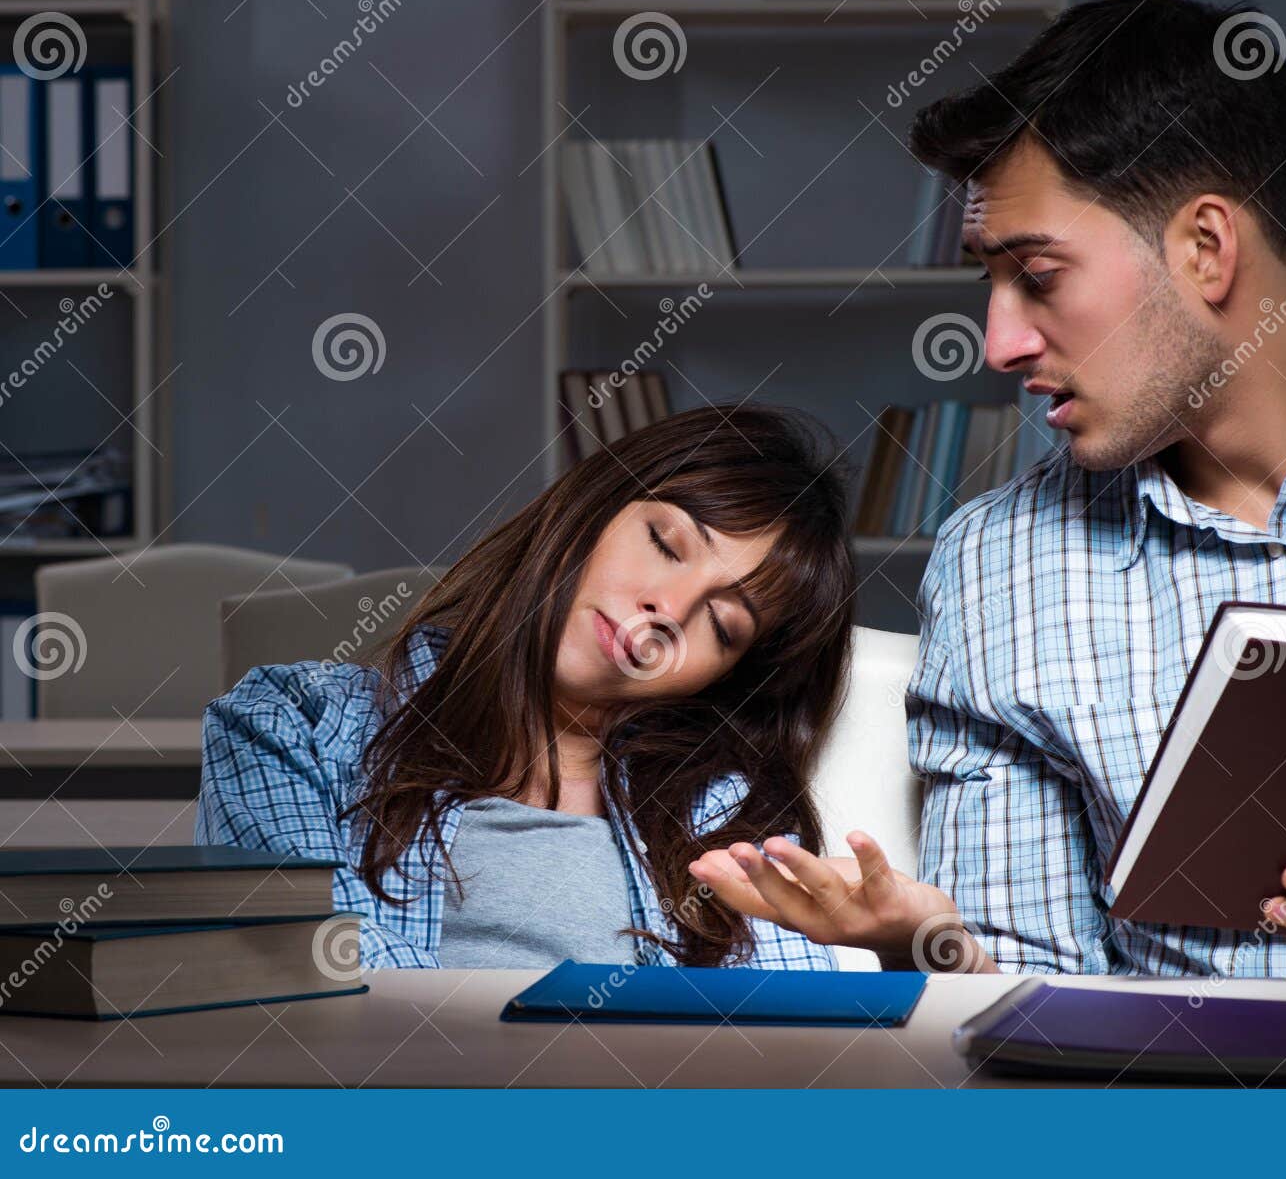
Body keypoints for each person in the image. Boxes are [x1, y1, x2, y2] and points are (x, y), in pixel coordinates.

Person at [690, 0, 1286, 981]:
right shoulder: (1002, 564)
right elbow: (1033, 1002)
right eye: (986, 282)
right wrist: (932, 947)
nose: (997, 343)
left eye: (1036, 274)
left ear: (1204, 249)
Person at [198, 404, 856, 970]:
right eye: (664, 542)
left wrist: (912, 948)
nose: (669, 609)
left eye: (722, 623)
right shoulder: (290, 725)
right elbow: (329, 988)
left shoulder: (722, 815)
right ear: (590, 507)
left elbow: (791, 1043)